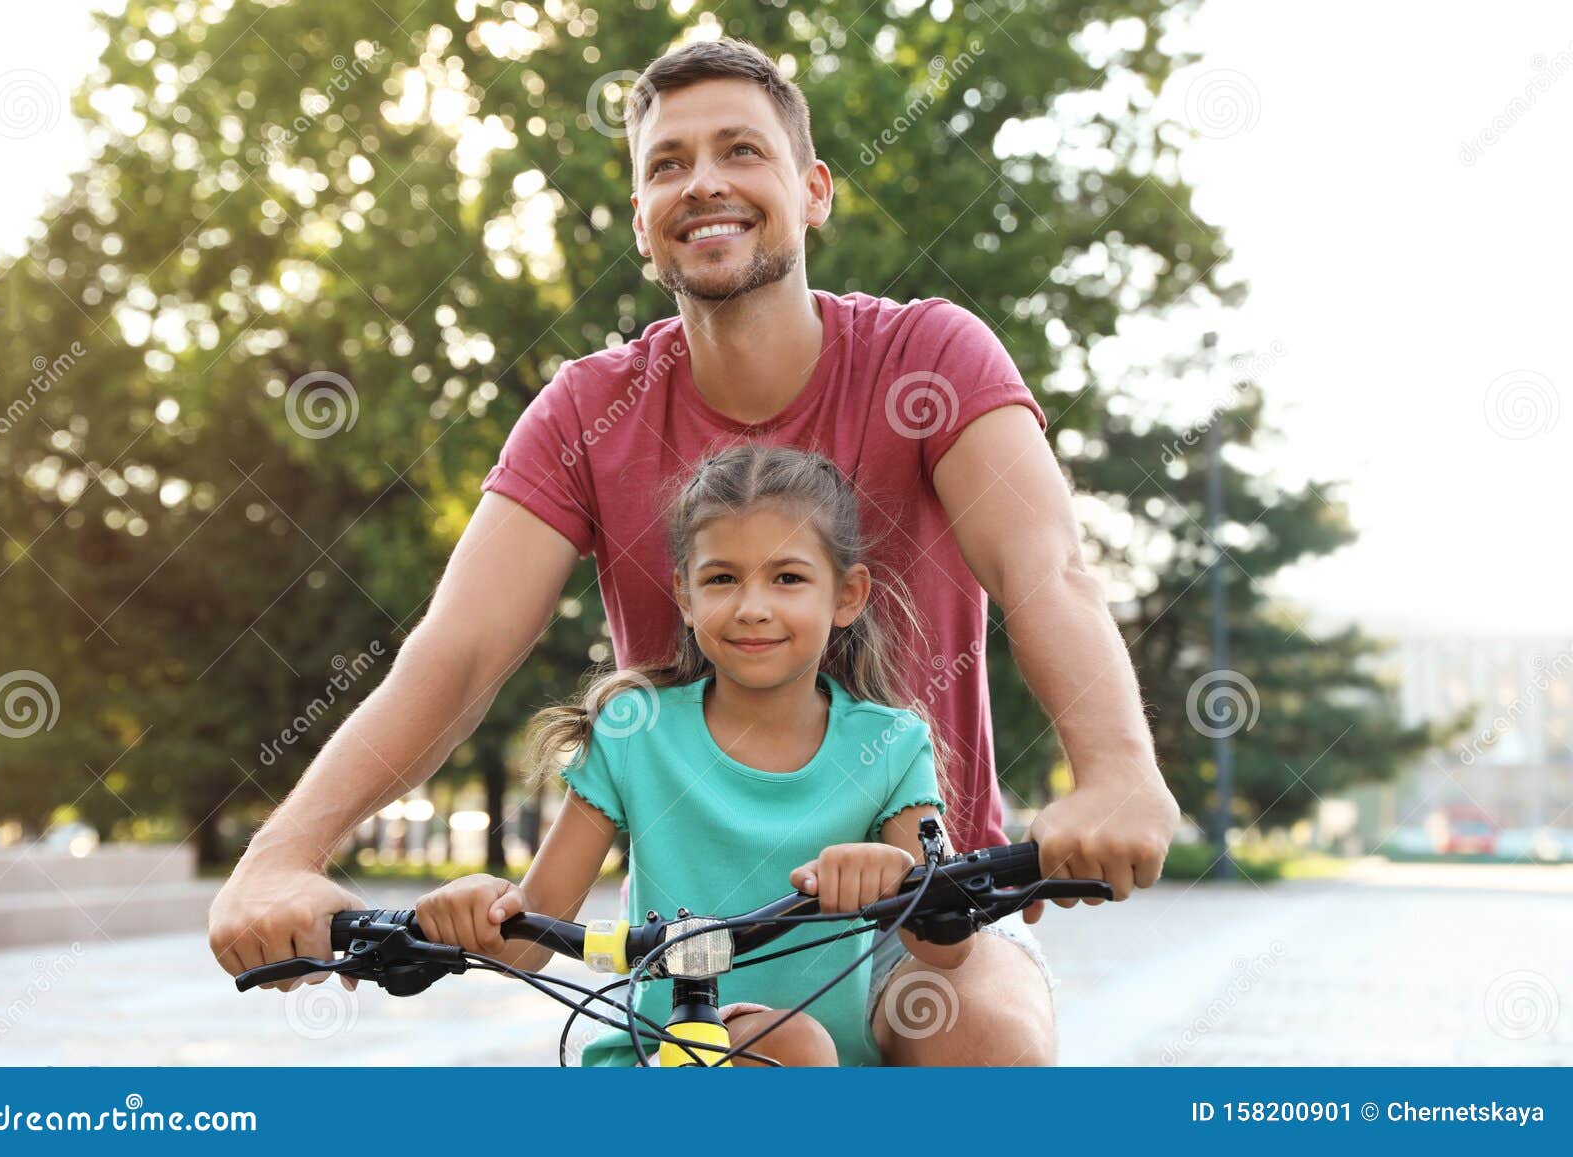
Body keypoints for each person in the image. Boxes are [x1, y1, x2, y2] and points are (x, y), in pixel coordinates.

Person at [209, 37, 1179, 1066]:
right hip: (701, 944)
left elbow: (1048, 573)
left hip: (919, 923)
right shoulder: (588, 411)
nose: (703, 181)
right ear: (641, 222)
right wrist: (285, 853)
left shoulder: (930, 356)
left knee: (984, 1041)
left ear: (812, 191)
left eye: (740, 151)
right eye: (667, 164)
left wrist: (1115, 769)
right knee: (746, 1059)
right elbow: (456, 650)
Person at [416, 443, 993, 1066]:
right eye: (721, 579)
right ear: (686, 598)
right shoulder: (636, 733)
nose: (751, 607)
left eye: (788, 578)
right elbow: (531, 940)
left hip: (816, 1069)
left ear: (848, 596)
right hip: (657, 1060)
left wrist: (893, 874)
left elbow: (947, 949)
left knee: (797, 1045)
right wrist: (480, 910)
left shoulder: (891, 744)